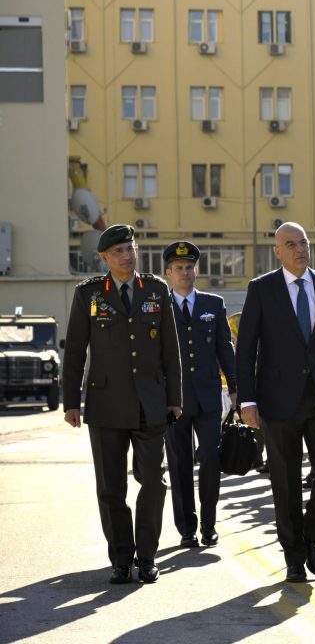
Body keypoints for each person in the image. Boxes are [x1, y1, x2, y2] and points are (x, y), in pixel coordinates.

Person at [235, 222, 315, 583]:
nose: (300, 248)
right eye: (291, 244)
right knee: (285, 481)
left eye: (303, 242)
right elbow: (246, 350)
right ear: (278, 251)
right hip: (277, 400)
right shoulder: (262, 289)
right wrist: (247, 400)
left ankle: (312, 537)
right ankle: (293, 553)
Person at [62, 224, 182, 584]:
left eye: (131, 249)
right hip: (106, 404)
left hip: (151, 403)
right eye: (119, 252)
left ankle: (146, 556)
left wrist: (175, 399)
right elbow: (75, 353)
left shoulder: (157, 290)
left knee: (153, 482)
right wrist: (71, 402)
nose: (127, 256)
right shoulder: (89, 295)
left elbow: (170, 349)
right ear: (104, 258)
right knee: (111, 487)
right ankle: (120, 558)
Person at [162, 240, 236, 548]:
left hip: (207, 398)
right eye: (178, 268)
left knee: (209, 457)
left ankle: (208, 523)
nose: (185, 272)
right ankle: (187, 528)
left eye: (189, 267)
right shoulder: (158, 307)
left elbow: (225, 349)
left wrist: (235, 388)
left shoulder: (213, 304)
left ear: (197, 270)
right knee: (179, 464)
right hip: (173, 401)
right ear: (168, 272)